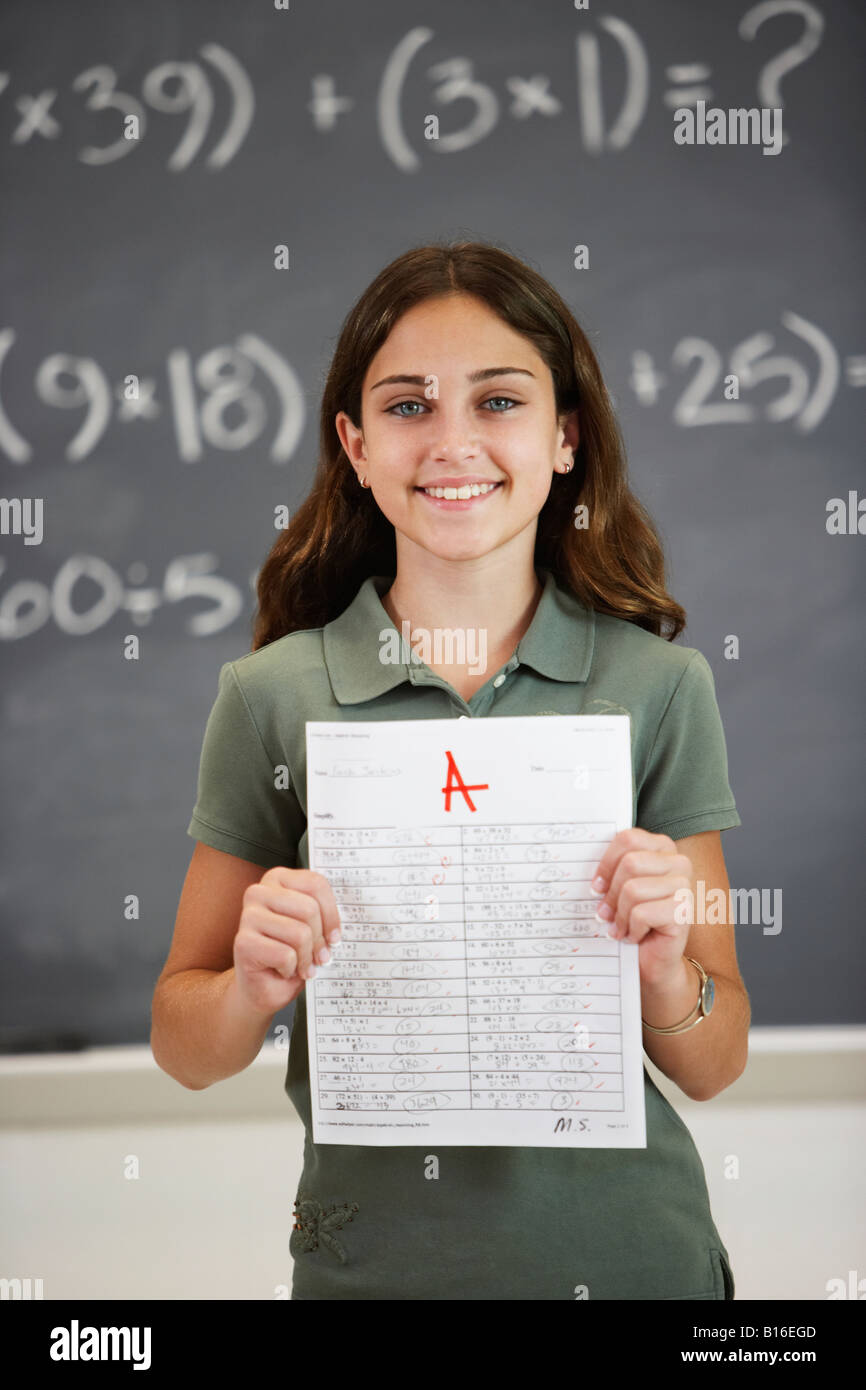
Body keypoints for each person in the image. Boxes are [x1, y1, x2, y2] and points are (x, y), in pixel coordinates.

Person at [151, 240, 750, 1301]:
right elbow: (185, 1045)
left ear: (563, 437)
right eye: (408, 406)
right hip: (372, 1276)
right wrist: (248, 986)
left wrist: (663, 971)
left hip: (632, 1269)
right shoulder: (270, 698)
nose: (453, 442)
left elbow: (714, 1060)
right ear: (355, 442)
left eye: (499, 401)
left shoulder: (658, 687)